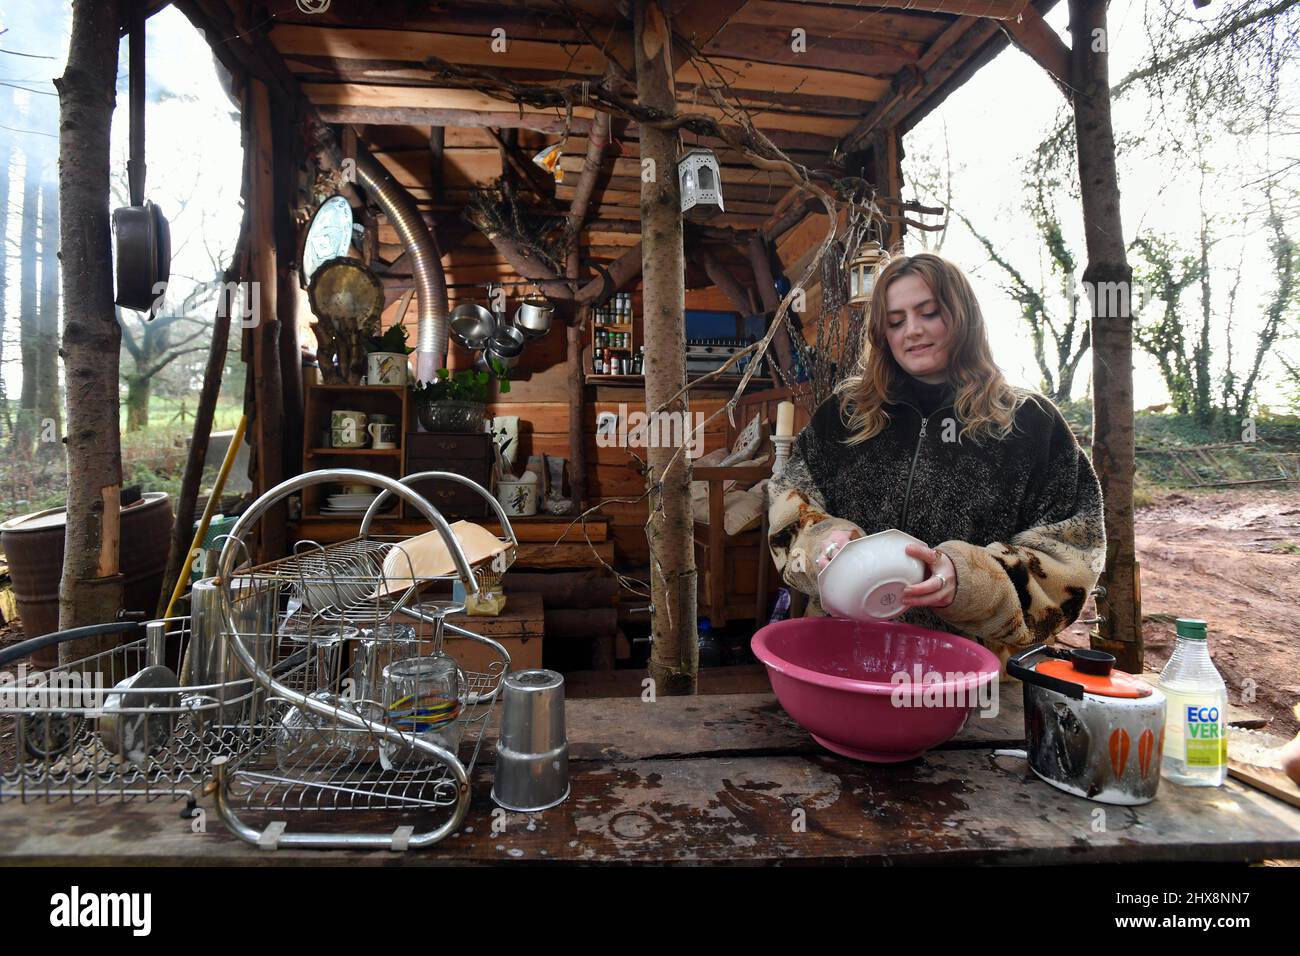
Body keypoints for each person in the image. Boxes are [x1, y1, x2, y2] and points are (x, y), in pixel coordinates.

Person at [767, 252, 1105, 670]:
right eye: (895, 321)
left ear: (963, 316)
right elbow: (789, 500)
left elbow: (1069, 554)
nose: (912, 331)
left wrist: (968, 580)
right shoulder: (845, 414)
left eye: (929, 313)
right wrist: (822, 542)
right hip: (842, 653)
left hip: (973, 673)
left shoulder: (1030, 425)